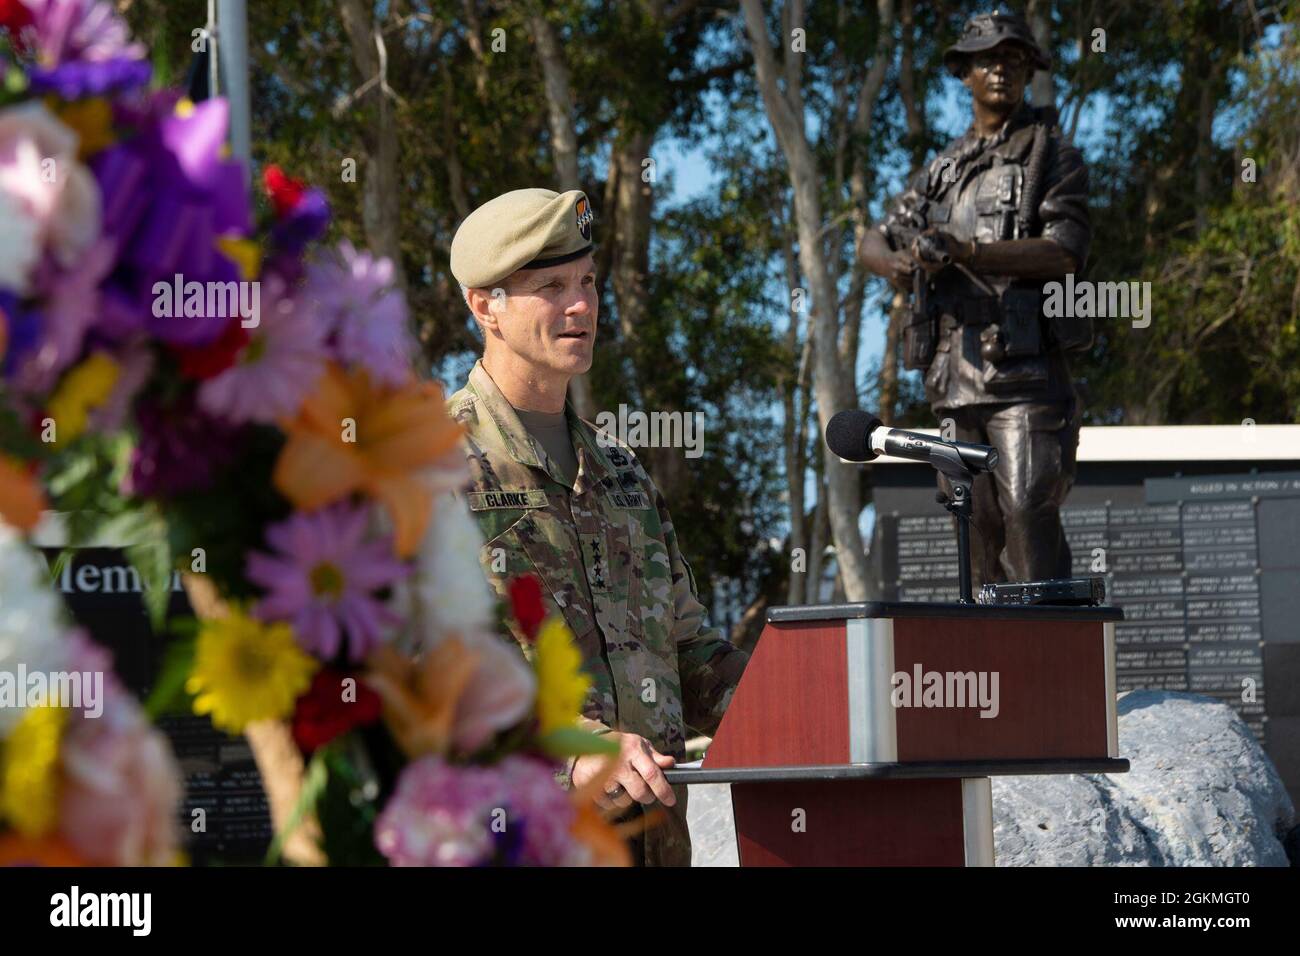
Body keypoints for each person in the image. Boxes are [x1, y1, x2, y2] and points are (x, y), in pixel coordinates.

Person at [446, 187, 749, 866]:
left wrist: (802, 703)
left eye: (586, 281)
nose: (580, 305)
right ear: (484, 306)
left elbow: (686, 653)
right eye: (550, 286)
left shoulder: (622, 475)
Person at [860, 8, 1093, 586]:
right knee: (973, 522)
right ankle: (988, 656)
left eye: (1014, 60)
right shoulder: (941, 170)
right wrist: (898, 262)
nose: (1001, 70)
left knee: (1027, 509)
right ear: (964, 72)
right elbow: (873, 237)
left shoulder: (1050, 153)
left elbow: (1064, 250)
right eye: (988, 59)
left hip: (1025, 374)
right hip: (952, 376)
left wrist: (968, 252)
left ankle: (1046, 654)